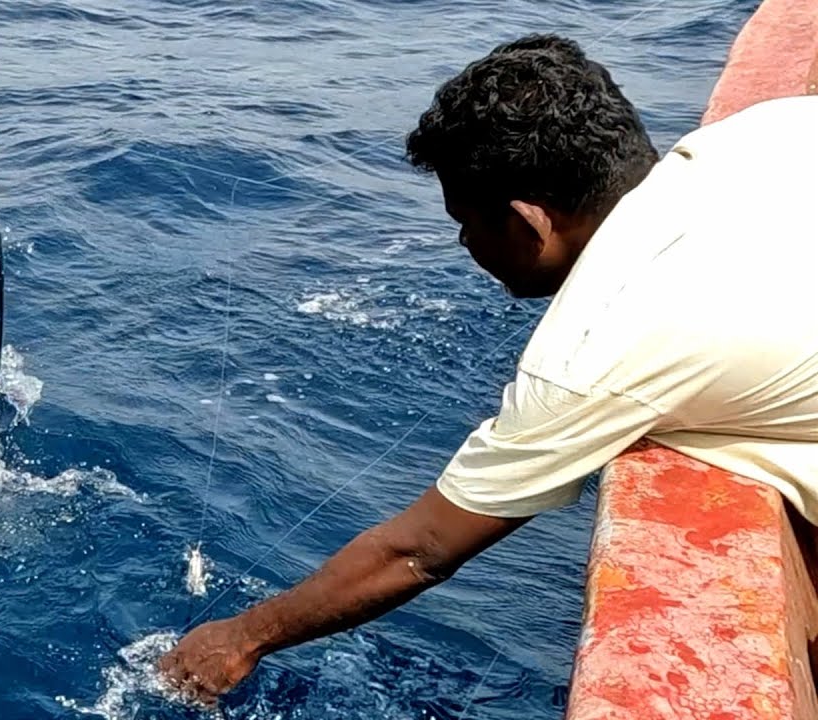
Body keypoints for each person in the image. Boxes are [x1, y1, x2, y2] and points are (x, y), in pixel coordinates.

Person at [158, 33, 818, 704]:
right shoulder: (762, 130)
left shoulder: (592, 355)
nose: (464, 243)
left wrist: (242, 638)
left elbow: (418, 550)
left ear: (529, 224)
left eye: (466, 223)